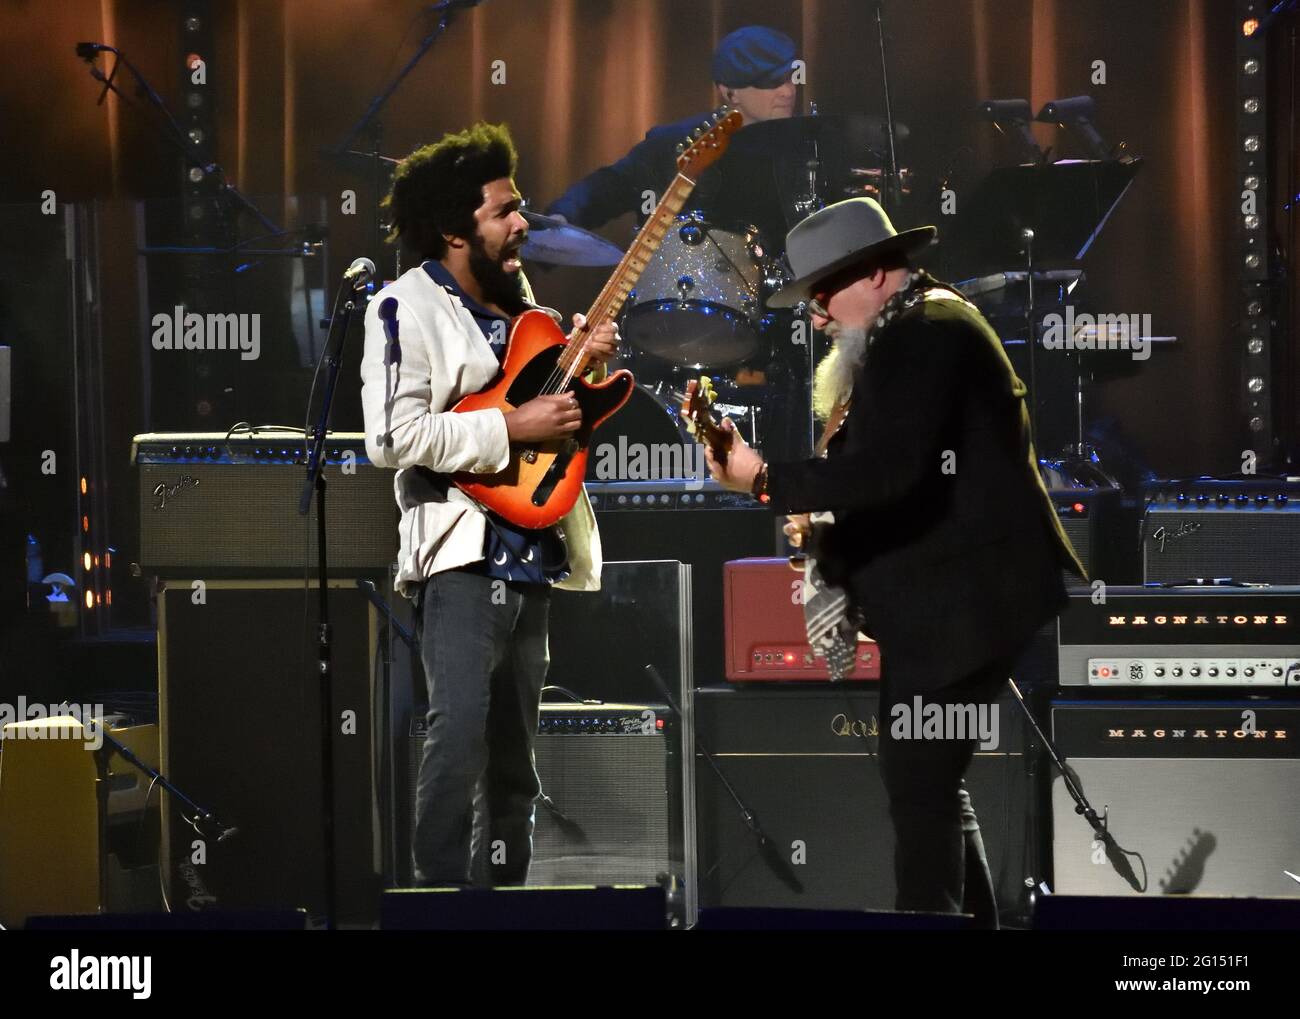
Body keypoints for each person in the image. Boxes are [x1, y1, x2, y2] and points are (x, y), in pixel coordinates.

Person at [703, 197, 1086, 927]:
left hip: (971, 605)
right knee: (927, 782)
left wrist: (765, 476)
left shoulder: (925, 333)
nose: (815, 316)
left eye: (823, 295)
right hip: (956, 603)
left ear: (878, 273)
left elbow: (889, 471)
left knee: (920, 784)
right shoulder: (910, 327)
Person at [359, 122, 619, 887]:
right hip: (462, 557)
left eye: (520, 206)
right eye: (504, 210)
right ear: (452, 228)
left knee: (516, 764)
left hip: (534, 543)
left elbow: (550, 420)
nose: (521, 223)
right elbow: (390, 436)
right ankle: (438, 903)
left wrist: (583, 375)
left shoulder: (519, 302)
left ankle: (504, 901)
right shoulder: (402, 306)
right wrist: (513, 424)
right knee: (459, 735)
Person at [546, 25, 800, 232]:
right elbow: (611, 186)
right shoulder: (673, 143)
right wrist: (563, 216)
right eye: (772, 83)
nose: (788, 91)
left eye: (789, 78)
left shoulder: (811, 143)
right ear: (730, 93)